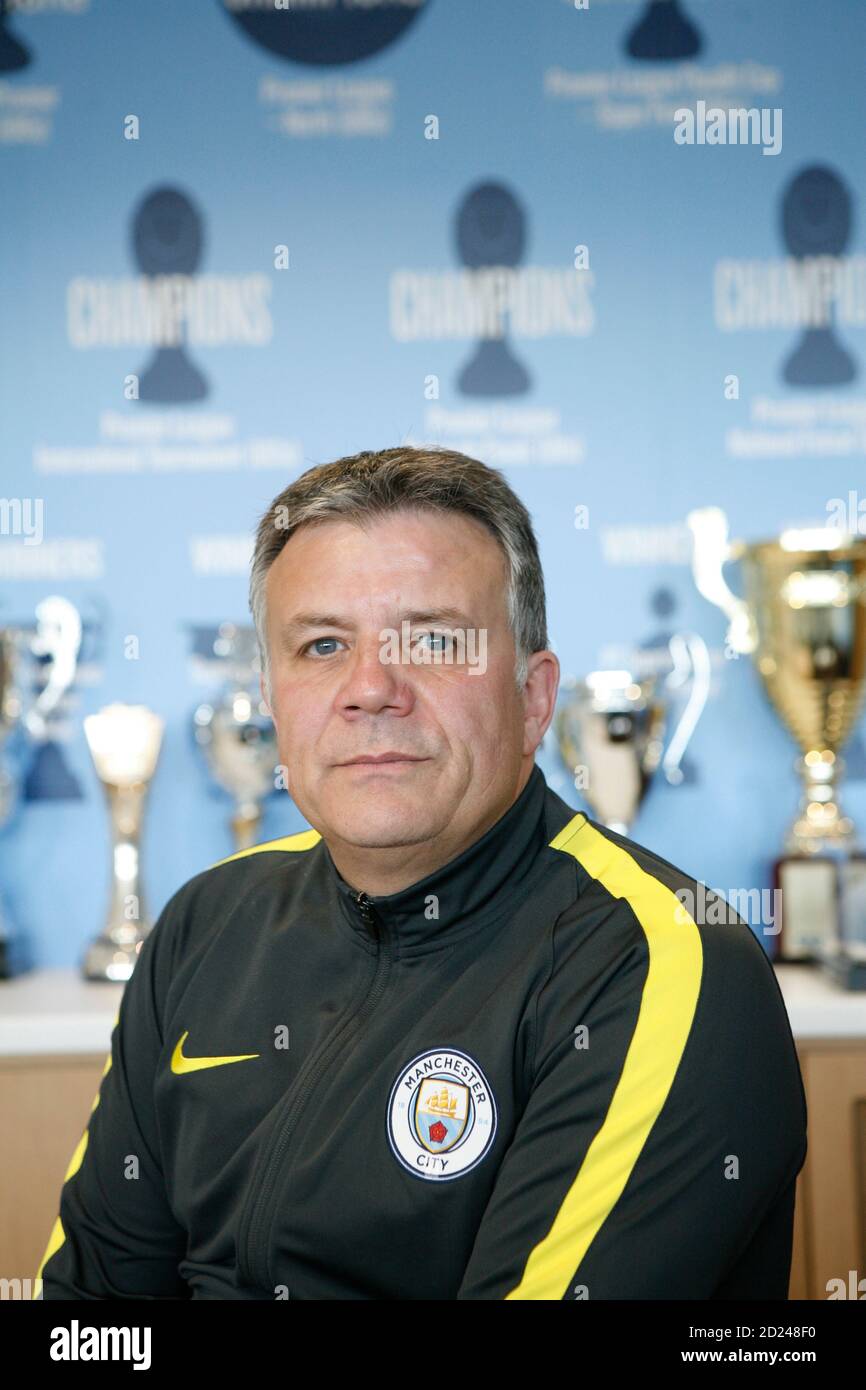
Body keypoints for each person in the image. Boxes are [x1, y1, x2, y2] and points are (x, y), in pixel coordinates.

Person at [35, 445, 807, 1300]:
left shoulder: (661, 959)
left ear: (534, 698)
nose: (371, 688)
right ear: (273, 696)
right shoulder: (207, 921)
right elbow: (90, 1314)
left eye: (435, 639)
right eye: (323, 645)